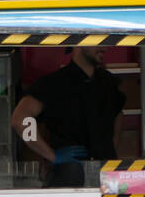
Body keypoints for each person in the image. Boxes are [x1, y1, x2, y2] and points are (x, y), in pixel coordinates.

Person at [10, 45, 126, 187]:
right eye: (96, 41)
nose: (104, 48)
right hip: (68, 175)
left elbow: (118, 114)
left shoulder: (110, 83)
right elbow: (20, 119)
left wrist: (110, 151)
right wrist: (51, 155)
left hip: (107, 176)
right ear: (78, 44)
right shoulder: (54, 83)